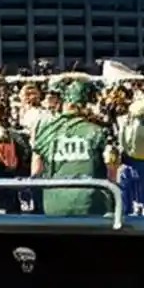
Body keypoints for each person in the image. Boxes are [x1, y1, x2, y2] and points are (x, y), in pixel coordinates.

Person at [31, 80, 115, 216]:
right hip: (92, 206)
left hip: (53, 206)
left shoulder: (46, 131)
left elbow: (35, 172)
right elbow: (112, 171)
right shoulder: (99, 132)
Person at [117, 93, 144, 216]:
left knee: (126, 187)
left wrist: (124, 150)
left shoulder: (131, 117)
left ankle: (126, 214)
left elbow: (124, 135)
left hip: (132, 156)